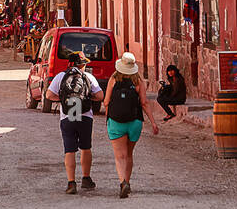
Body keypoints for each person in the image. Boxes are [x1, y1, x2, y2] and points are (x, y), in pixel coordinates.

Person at [47, 54, 104, 194]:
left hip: (67, 116)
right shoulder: (88, 77)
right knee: (85, 148)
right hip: (85, 116)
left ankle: (71, 183)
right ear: (82, 65)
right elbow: (100, 96)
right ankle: (86, 178)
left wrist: (63, 100)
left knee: (69, 150)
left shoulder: (61, 76)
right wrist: (86, 97)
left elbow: (49, 95)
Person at [104, 53, 158, 197]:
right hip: (135, 122)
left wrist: (109, 117)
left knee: (119, 156)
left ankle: (123, 182)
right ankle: (127, 181)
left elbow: (106, 102)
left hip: (116, 122)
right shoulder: (138, 81)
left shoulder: (113, 79)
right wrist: (153, 122)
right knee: (129, 154)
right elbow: (144, 103)